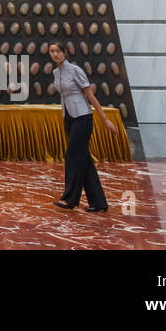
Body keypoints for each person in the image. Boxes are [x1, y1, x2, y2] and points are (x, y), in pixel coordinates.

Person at [48, 42, 114, 213]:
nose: (55, 54)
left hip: (83, 117)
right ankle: (99, 202)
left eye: (58, 51)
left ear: (65, 53)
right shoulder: (56, 72)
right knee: (84, 160)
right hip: (69, 117)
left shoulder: (75, 70)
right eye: (52, 51)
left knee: (72, 156)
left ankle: (70, 199)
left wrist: (105, 119)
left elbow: (90, 95)